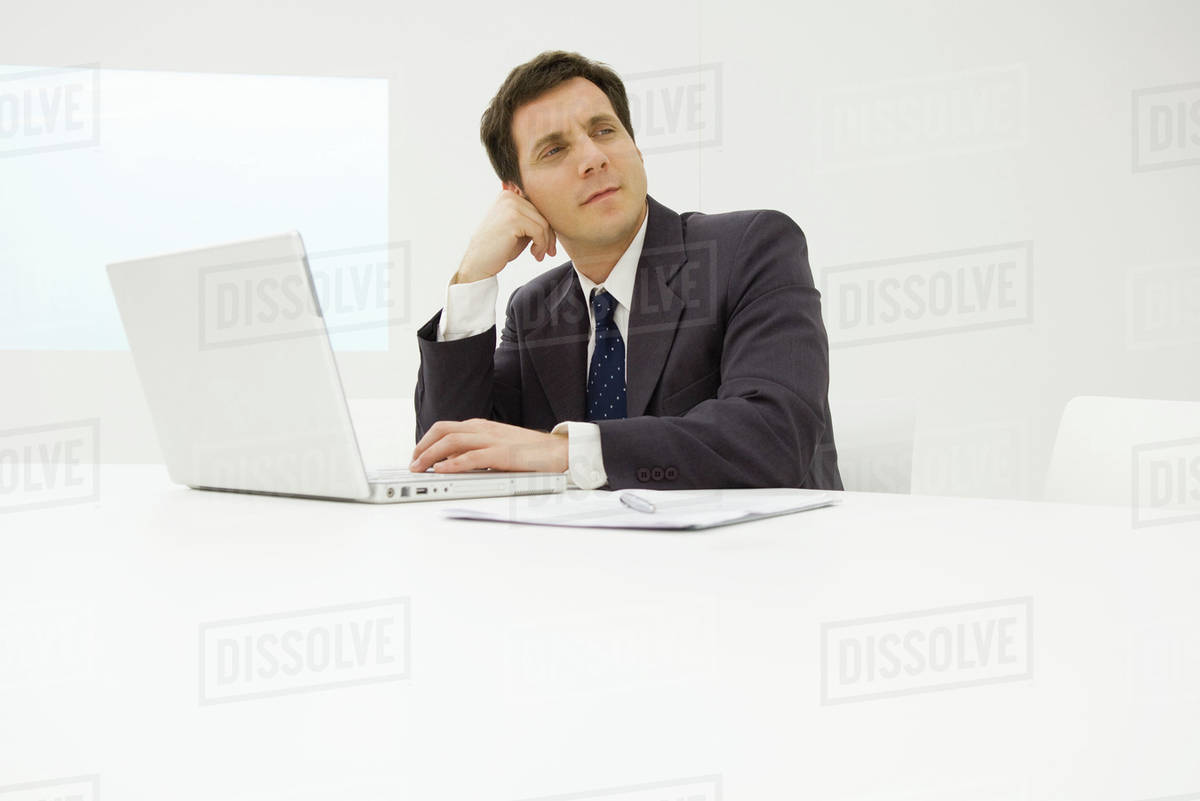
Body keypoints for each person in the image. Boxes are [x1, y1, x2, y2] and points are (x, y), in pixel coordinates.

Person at [410, 50, 842, 491]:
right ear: (517, 195)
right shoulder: (534, 310)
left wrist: (567, 452)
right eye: (555, 150)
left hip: (767, 535)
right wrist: (472, 278)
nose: (594, 157)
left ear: (635, 148)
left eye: (604, 130)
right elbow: (450, 454)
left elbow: (774, 438)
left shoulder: (749, 248)